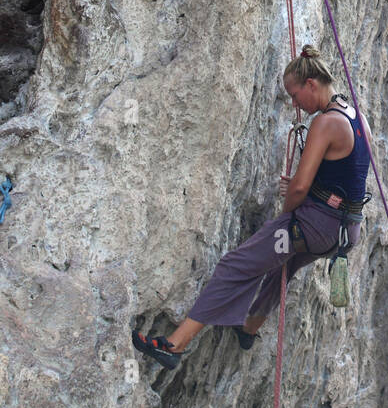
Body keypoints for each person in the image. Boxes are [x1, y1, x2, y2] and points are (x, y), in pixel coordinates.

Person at [131, 45, 371, 369]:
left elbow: (299, 186)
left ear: (311, 85)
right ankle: (249, 328)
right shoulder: (357, 118)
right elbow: (347, 176)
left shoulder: (326, 123)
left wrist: (286, 216)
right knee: (282, 265)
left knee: (236, 265)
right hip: (344, 232)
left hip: (314, 226)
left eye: (295, 94)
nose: (294, 103)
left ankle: (175, 345)